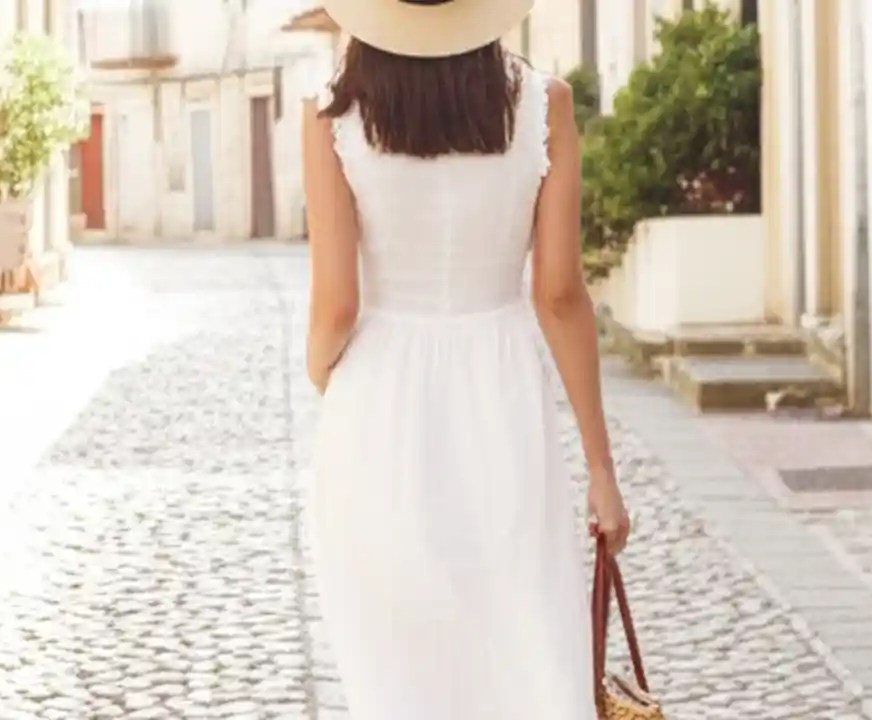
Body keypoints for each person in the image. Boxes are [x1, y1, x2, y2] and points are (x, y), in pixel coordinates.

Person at [303, 0, 629, 717]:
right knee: (525, 640)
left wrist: (326, 374)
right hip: (501, 391)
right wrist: (602, 472)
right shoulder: (546, 105)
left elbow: (335, 309)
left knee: (399, 673)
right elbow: (560, 295)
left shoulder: (331, 113)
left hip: (377, 402)